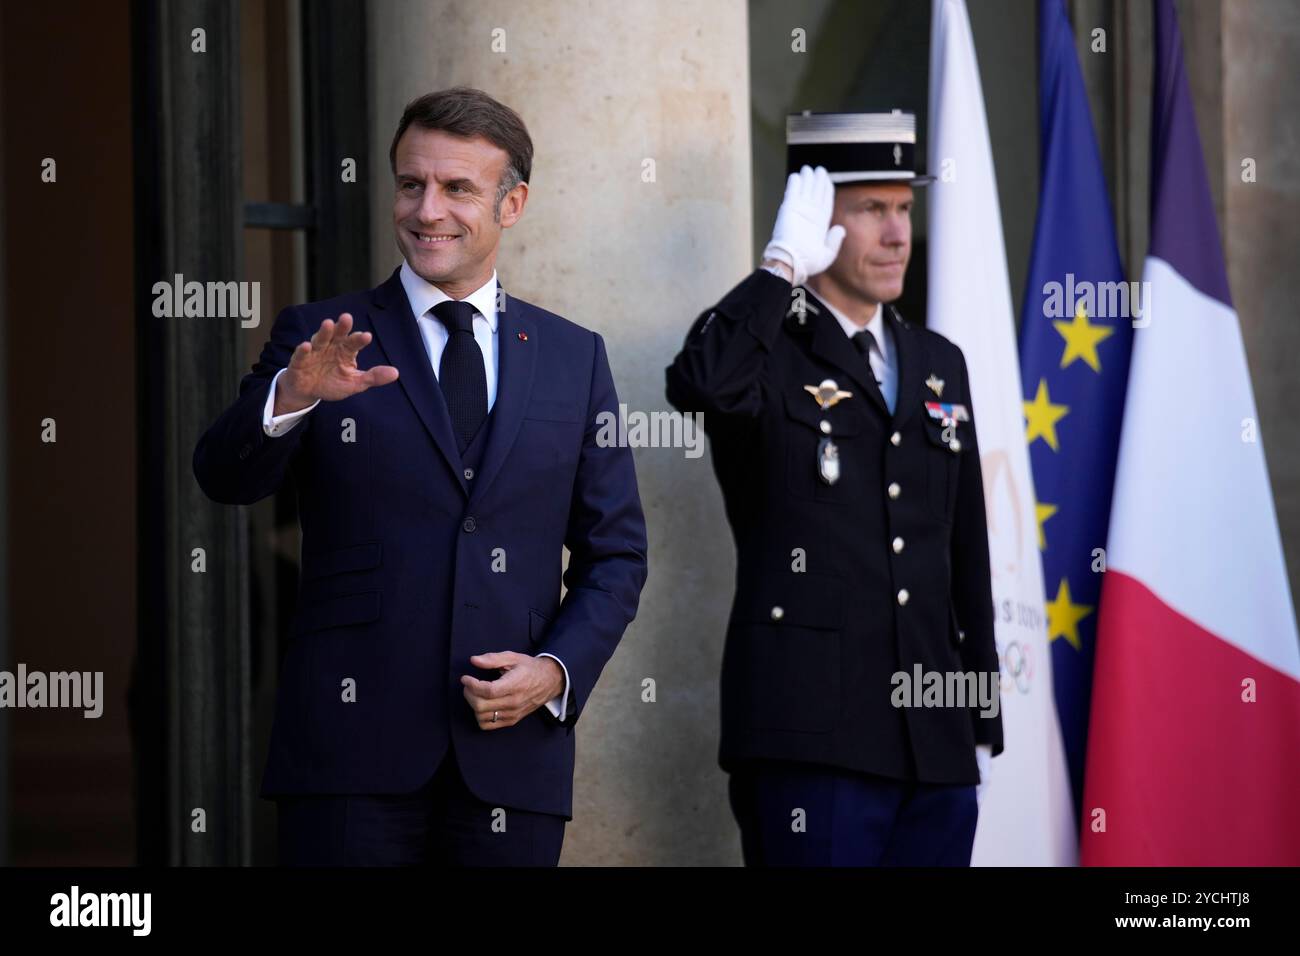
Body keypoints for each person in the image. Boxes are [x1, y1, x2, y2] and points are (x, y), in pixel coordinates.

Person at [194, 87, 648, 866]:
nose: (426, 208)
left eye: (457, 188)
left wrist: (555, 672)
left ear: (513, 204)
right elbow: (224, 475)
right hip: (348, 756)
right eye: (411, 184)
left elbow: (617, 555)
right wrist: (293, 396)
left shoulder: (576, 358)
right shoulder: (322, 336)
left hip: (511, 762)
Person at [666, 110, 1002, 866]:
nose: (897, 234)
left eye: (905, 209)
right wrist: (780, 264)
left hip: (932, 739)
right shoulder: (766, 351)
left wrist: (978, 710)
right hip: (810, 735)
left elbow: (963, 545)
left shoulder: (936, 358)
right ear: (819, 216)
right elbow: (700, 387)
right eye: (872, 210)